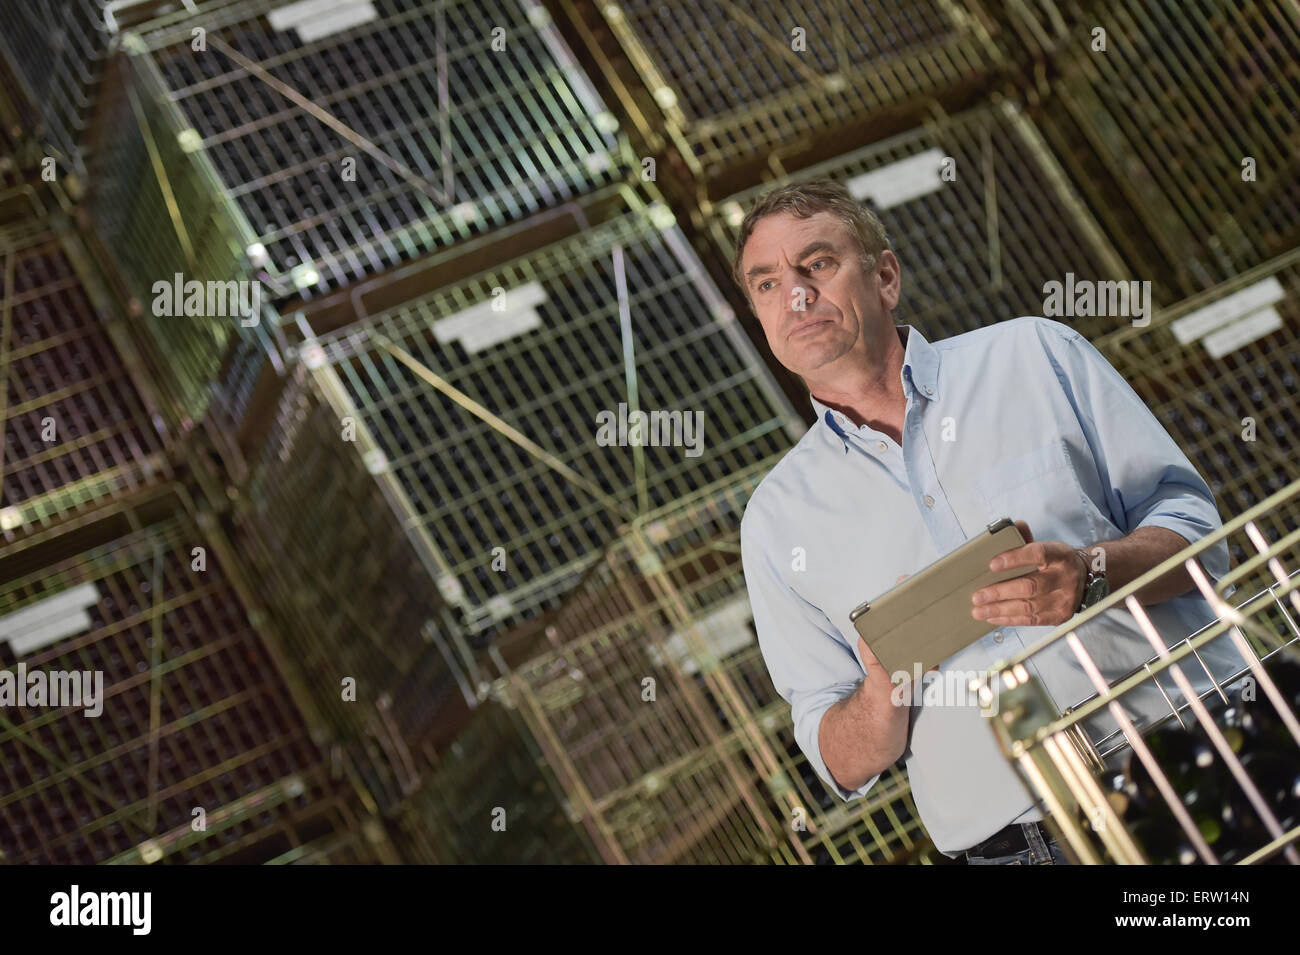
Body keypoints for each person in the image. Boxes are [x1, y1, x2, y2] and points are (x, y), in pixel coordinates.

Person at [735, 179, 1247, 864]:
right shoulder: (776, 521)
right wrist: (883, 689)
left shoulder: (1034, 357)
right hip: (1024, 848)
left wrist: (1095, 572)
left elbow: (1197, 532)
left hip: (1198, 745)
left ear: (885, 276)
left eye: (817, 264)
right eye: (766, 284)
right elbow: (838, 758)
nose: (795, 295)